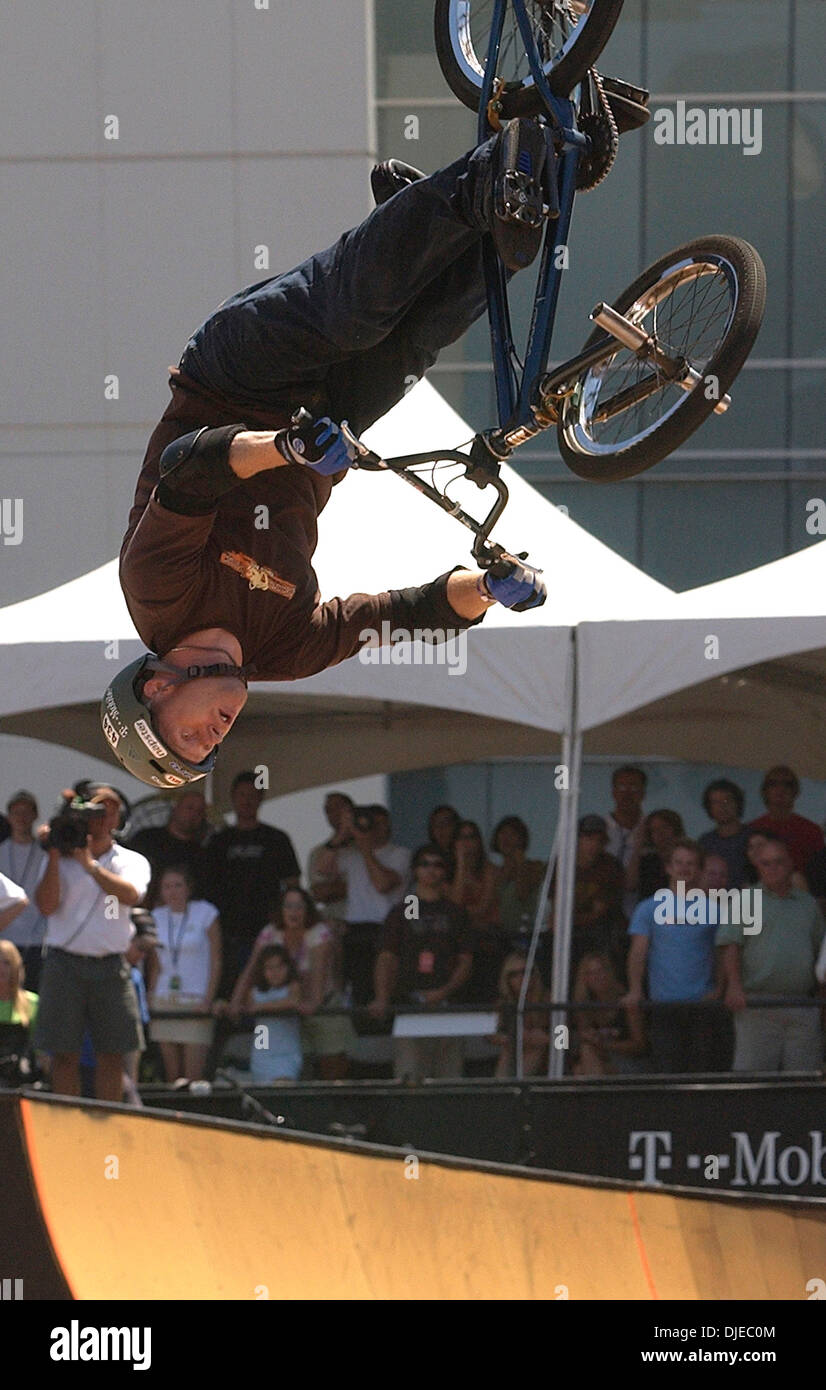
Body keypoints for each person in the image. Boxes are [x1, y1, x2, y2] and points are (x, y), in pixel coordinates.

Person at [100, 122, 550, 793]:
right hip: (324, 420)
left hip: (235, 377)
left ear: (158, 685)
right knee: (452, 306)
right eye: (208, 751)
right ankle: (552, 166)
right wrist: (487, 590)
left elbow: (192, 468)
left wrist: (285, 448)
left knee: (353, 316)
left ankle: (483, 175)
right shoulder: (286, 652)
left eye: (189, 735)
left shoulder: (156, 593)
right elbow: (403, 614)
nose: (215, 736)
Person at [33, 787, 151, 1101]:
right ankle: (68, 1123)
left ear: (118, 818)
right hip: (64, 963)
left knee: (112, 1054)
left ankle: (109, 1125)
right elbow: (45, 906)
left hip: (110, 964)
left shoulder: (130, 860)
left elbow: (130, 895)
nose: (101, 819)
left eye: (108, 811)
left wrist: (90, 866)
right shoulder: (59, 855)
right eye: (94, 811)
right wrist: (57, 853)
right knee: (63, 1053)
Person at [719, 839, 825, 1073]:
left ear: (790, 864)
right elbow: (730, 945)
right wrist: (734, 987)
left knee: (804, 1082)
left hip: (802, 1004)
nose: (772, 868)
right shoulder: (745, 900)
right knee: (753, 1084)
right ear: (758, 867)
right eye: (766, 863)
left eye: (778, 862)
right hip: (757, 1003)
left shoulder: (807, 905)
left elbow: (821, 952)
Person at [369, 844, 474, 1081]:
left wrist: (442, 991)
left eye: (438, 865)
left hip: (449, 1007)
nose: (431, 870)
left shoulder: (455, 912)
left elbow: (466, 960)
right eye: (424, 864)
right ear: (415, 870)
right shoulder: (406, 909)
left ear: (446, 871)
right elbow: (387, 956)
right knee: (410, 1078)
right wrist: (382, 996)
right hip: (409, 1004)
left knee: (449, 1080)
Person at [229, 887, 355, 1080]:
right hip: (286, 1007)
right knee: (297, 1064)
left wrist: (312, 1004)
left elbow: (317, 973)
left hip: (322, 1003)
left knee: (332, 1060)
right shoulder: (270, 933)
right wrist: (236, 1002)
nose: (293, 912)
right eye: (288, 906)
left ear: (307, 910)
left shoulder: (319, 933)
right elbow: (251, 970)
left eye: (299, 906)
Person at [624, 840, 723, 1074]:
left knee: (702, 1074)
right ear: (668, 867)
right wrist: (635, 989)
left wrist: (720, 988)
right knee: (668, 1074)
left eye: (691, 864)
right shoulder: (648, 908)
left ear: (699, 870)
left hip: (703, 1004)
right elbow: (638, 952)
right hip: (664, 1005)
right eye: (678, 862)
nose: (684, 868)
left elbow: (722, 952)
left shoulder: (715, 909)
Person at [205, 770, 300, 995]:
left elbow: (293, 883)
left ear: (261, 798)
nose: (246, 800)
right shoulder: (218, 842)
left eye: (252, 795)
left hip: (266, 930)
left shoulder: (277, 839)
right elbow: (207, 886)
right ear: (233, 799)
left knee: (264, 987)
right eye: (241, 795)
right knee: (228, 988)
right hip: (227, 932)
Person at [318, 802, 410, 1007]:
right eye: (369, 823)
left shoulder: (400, 854)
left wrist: (366, 849)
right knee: (359, 990)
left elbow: (383, 884)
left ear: (388, 826)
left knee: (384, 992)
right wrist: (341, 834)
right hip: (355, 928)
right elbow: (322, 869)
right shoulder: (351, 854)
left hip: (387, 928)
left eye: (379, 823)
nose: (374, 828)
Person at [149, 864, 222, 1083]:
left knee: (194, 1076)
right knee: (174, 1077)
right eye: (167, 886)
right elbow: (154, 963)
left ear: (188, 888)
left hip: (195, 999)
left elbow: (216, 959)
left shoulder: (205, 913)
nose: (172, 891)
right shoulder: (156, 916)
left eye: (177, 885)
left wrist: (208, 998)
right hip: (165, 998)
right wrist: (150, 995)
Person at [555, 814, 625, 978]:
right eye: (588, 838)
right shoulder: (563, 864)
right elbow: (555, 906)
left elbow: (597, 912)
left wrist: (566, 921)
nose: (593, 845)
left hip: (601, 939)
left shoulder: (609, 866)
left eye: (599, 840)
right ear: (577, 839)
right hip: (567, 940)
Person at [126, 789, 213, 905]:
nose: (193, 815)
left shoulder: (203, 856)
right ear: (176, 808)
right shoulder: (146, 839)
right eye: (189, 808)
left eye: (199, 812)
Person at [447, 819, 500, 1000]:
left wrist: (463, 914)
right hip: (457, 945)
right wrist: (461, 864)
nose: (466, 842)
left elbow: (483, 908)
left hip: (486, 941)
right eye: (461, 838)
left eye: (471, 837)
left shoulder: (489, 870)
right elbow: (454, 907)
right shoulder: (446, 872)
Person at [571, 952, 646, 1077]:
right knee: (580, 1066)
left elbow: (640, 1045)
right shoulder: (584, 1008)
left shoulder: (626, 1003)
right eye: (590, 973)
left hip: (629, 1061)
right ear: (584, 979)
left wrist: (605, 1045)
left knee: (583, 1065)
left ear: (609, 973)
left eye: (600, 971)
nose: (597, 977)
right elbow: (562, 1042)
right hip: (599, 1059)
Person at [0, 791, 47, 989]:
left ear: (35, 815)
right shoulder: (1, 850)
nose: (21, 818)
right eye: (17, 813)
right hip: (4, 941)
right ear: (9, 817)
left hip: (36, 941)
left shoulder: (46, 853)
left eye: (26, 812)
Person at [240, 945, 303, 1083]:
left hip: (286, 1055)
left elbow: (293, 1002)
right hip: (262, 1054)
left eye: (279, 967)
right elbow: (247, 1007)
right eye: (269, 968)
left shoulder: (292, 988)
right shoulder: (255, 992)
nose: (275, 972)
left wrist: (262, 1006)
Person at [748, 765, 823, 873]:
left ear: (795, 791)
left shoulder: (811, 831)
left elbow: (819, 875)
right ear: (765, 791)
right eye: (773, 784)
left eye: (787, 785)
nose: (780, 789)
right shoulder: (751, 830)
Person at [489, 952, 550, 1079]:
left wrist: (545, 1038)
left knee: (535, 1047)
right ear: (507, 979)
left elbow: (565, 1039)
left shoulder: (549, 1000)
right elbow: (490, 1034)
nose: (521, 978)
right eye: (514, 974)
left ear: (534, 975)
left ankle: (515, 1087)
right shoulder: (504, 1003)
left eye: (525, 972)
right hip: (514, 1051)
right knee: (509, 1049)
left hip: (548, 1056)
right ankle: (505, 1089)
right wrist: (513, 1038)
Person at [491, 816, 545, 942]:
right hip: (499, 935)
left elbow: (522, 893)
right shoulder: (494, 872)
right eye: (503, 833)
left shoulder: (534, 867)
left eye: (512, 834)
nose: (506, 838)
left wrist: (520, 862)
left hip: (524, 935)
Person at [604, 766, 648, 916]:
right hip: (603, 915)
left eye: (634, 787)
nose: (627, 794)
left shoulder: (652, 829)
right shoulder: (599, 829)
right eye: (622, 787)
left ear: (643, 793)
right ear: (613, 792)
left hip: (643, 914)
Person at [307, 791, 354, 924]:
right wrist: (358, 886)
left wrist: (338, 887)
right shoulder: (318, 853)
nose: (334, 814)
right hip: (335, 922)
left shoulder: (368, 847)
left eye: (339, 808)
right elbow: (320, 893)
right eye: (329, 810)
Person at [698, 778, 750, 888]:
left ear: (737, 803)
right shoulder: (705, 842)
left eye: (727, 801)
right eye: (715, 802)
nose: (722, 807)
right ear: (709, 807)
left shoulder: (753, 839)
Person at [0, 939, 39, 1086]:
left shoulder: (33, 1003)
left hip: (21, 1076)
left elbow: (39, 1048)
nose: (1, 968)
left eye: (7, 963)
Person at [625, 809, 685, 903]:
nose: (660, 833)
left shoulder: (688, 859)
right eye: (654, 830)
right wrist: (638, 847)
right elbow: (630, 885)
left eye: (664, 827)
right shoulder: (648, 861)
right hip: (651, 911)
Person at [428, 805, 461, 879]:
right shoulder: (426, 857)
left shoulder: (466, 856)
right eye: (436, 824)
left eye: (446, 823)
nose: (441, 828)